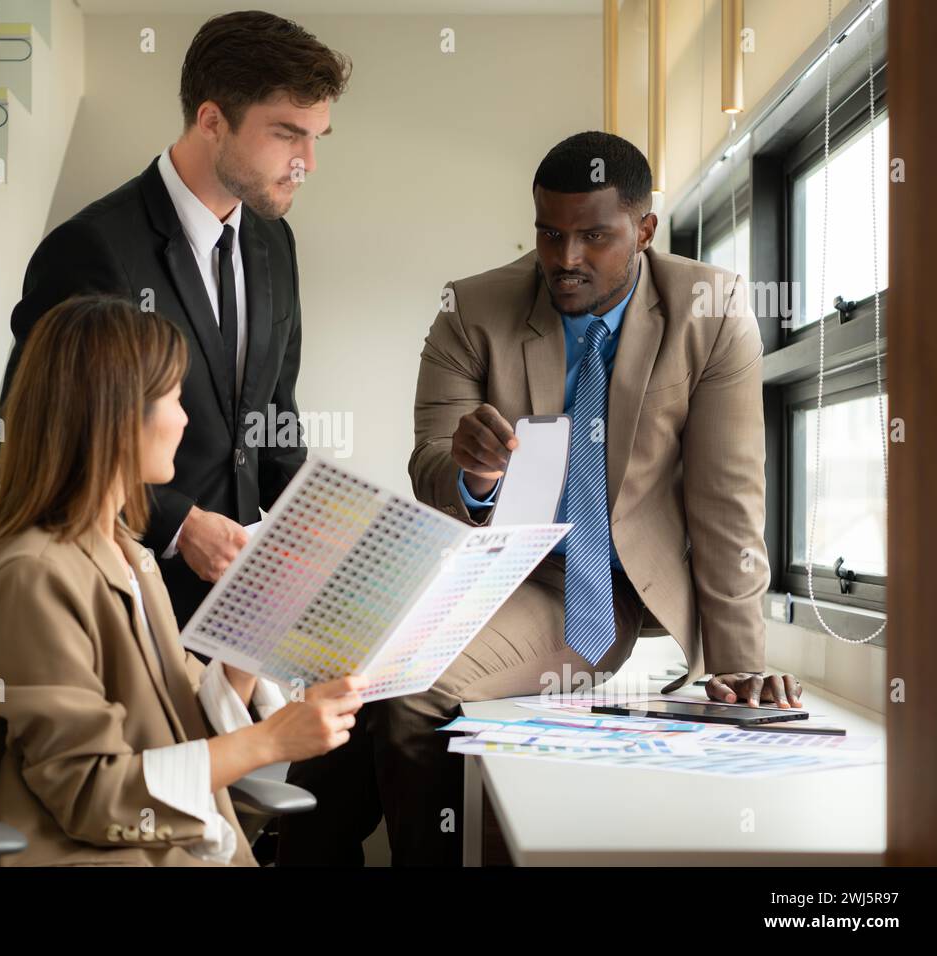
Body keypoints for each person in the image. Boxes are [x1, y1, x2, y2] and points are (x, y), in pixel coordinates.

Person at [278, 131, 803, 867]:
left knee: (412, 689)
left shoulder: (709, 312)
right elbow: (430, 466)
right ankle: (304, 856)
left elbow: (728, 502)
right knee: (347, 671)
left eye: (594, 236)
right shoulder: (473, 308)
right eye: (549, 233)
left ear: (644, 230)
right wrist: (474, 474)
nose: (566, 258)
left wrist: (739, 661)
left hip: (594, 590)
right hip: (479, 568)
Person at [0, 295, 366, 866]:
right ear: (119, 419)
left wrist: (250, 638)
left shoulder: (130, 556)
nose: (186, 420)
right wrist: (271, 741)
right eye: (175, 399)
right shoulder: (31, 579)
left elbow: (180, 722)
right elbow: (92, 793)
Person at [0, 10, 351, 628]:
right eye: (288, 135)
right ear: (211, 120)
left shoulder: (274, 242)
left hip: (251, 607)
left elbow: (274, 417)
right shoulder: (91, 249)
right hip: (123, 610)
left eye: (317, 137)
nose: (308, 163)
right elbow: (33, 445)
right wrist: (181, 526)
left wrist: (328, 532)